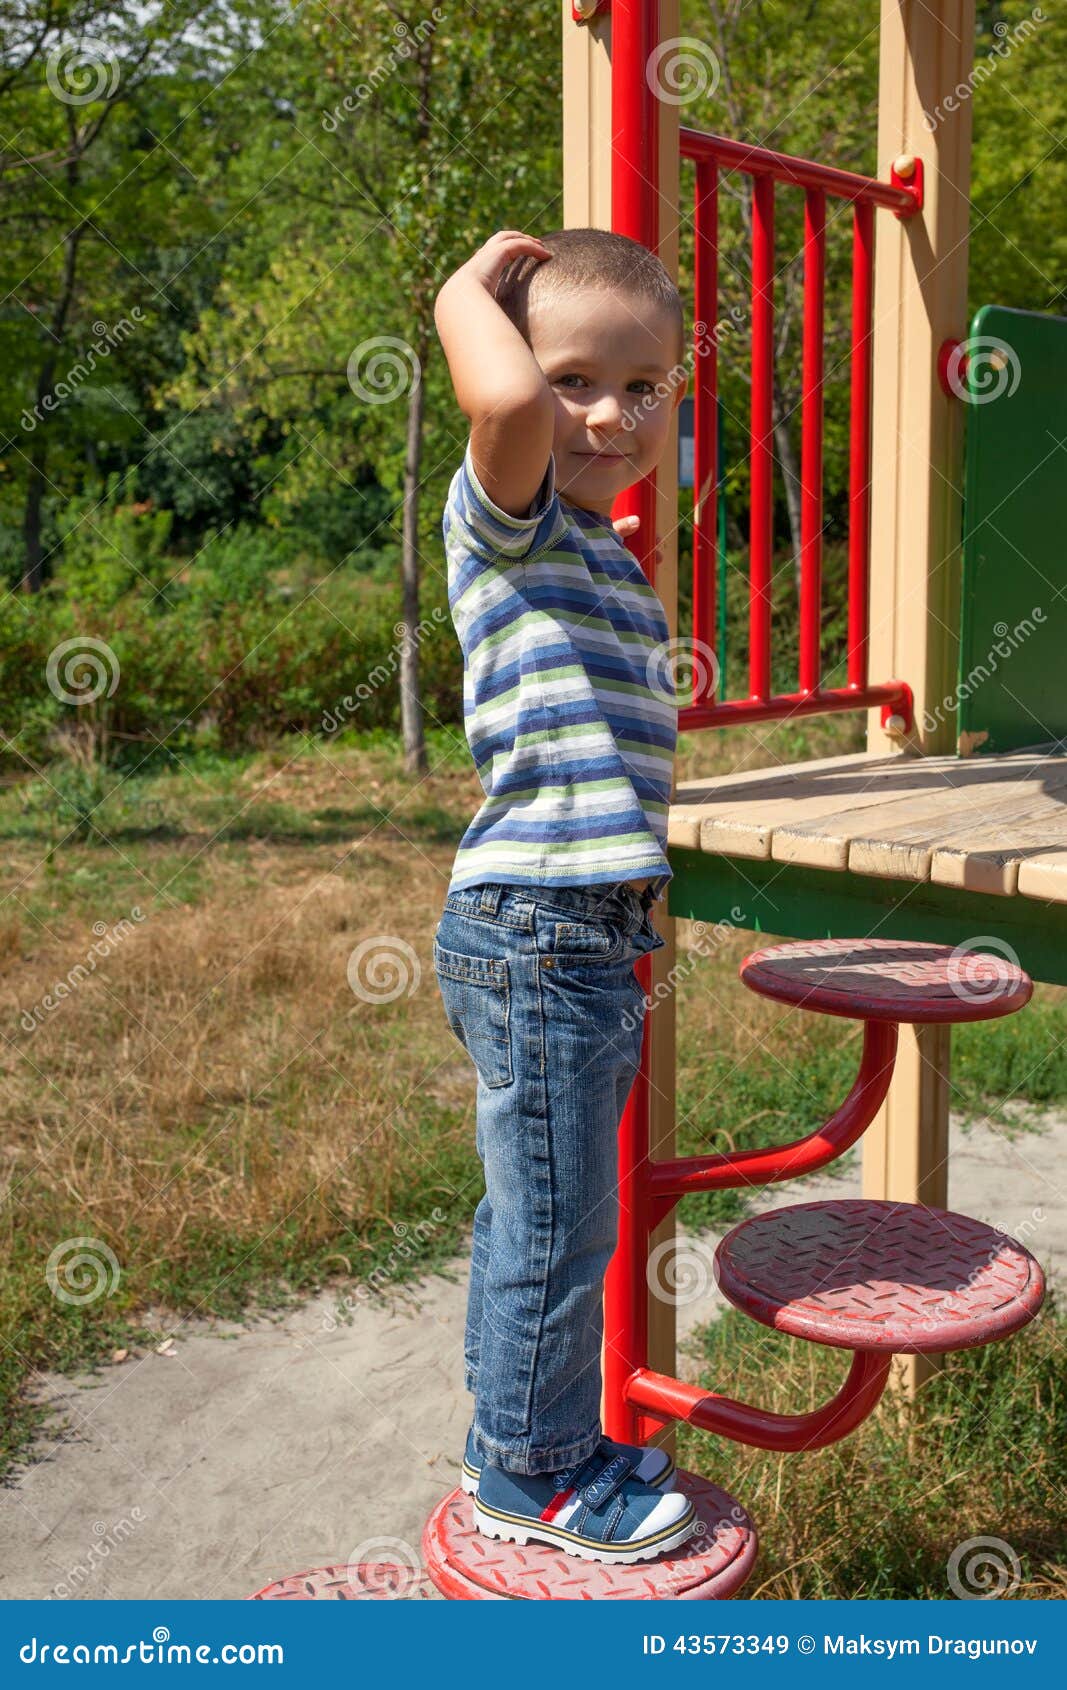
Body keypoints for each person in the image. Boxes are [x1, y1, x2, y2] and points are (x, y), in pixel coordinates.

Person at [432, 227, 695, 1565]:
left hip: (577, 938)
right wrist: (461, 292)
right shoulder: (512, 519)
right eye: (576, 378)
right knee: (560, 1221)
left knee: (537, 1208)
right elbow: (505, 403)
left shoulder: (605, 553)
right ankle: (530, 1474)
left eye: (644, 385)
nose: (609, 412)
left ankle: (521, 1437)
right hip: (533, 936)